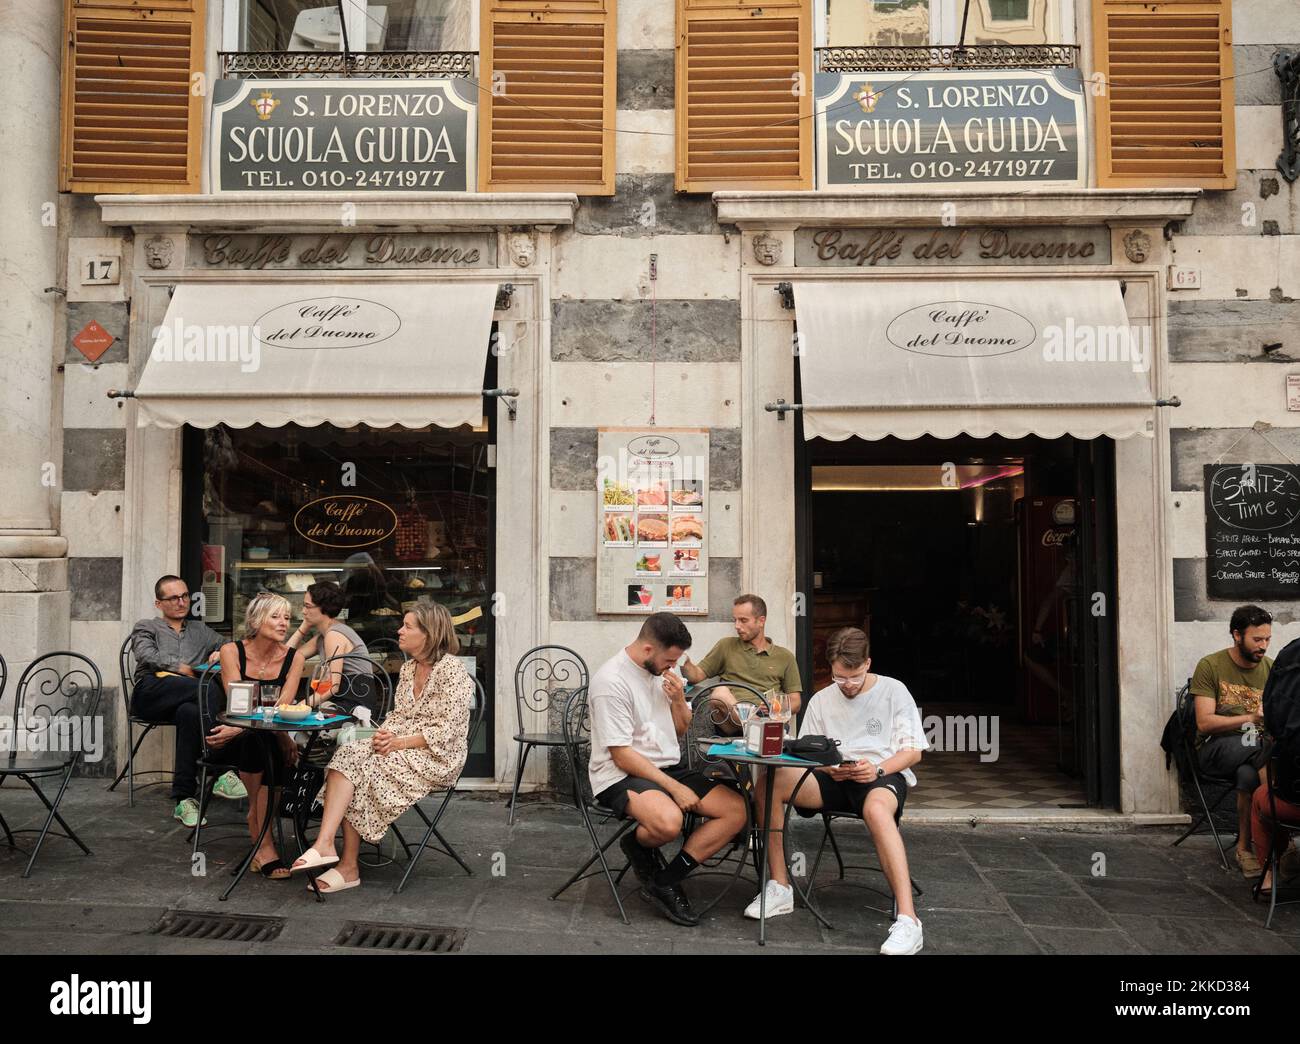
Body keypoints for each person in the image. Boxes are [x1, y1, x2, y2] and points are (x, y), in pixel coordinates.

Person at [749, 627, 928, 955]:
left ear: (868, 664)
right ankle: (779, 885)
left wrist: (876, 769)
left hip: (879, 775)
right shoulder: (822, 698)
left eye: (853, 678)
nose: (845, 685)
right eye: (838, 678)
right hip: (830, 778)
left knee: (876, 810)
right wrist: (824, 766)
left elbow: (913, 751)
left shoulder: (893, 691)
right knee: (768, 783)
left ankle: (908, 920)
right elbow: (806, 751)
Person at [289, 601, 473, 893]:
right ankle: (325, 844)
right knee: (349, 753)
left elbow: (448, 731)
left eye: (408, 626)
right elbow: (399, 716)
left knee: (366, 770)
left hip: (438, 756)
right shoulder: (410, 668)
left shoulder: (452, 671)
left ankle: (348, 867)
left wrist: (396, 742)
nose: (399, 631)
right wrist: (382, 735)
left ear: (429, 633)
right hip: (402, 745)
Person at [588, 612, 748, 926]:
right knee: (669, 822)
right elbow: (621, 756)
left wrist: (677, 700)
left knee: (738, 811)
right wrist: (675, 789)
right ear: (648, 649)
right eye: (669, 660)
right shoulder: (611, 681)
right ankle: (639, 844)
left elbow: (680, 729)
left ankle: (664, 881)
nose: (672, 667)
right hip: (619, 774)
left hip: (667, 766)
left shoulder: (662, 674)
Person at [129, 575, 246, 827]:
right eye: (173, 598)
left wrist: (222, 652)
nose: (182, 602)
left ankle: (183, 799)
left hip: (188, 695)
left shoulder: (200, 630)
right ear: (159, 603)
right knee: (207, 689)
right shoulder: (147, 626)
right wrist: (181, 667)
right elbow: (145, 654)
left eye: (185, 596)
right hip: (152, 690)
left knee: (191, 713)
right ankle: (219, 768)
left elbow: (232, 646)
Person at [204, 592, 306, 880]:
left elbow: (283, 708)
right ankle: (265, 846)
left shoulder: (294, 658)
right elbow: (238, 707)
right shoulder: (231, 652)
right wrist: (244, 728)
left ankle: (256, 824)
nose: (284, 623)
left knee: (268, 744)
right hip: (230, 738)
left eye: (287, 617)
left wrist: (283, 736)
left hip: (264, 735)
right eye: (275, 616)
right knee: (257, 740)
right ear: (256, 620)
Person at [1191, 604, 1273, 878]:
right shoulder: (1210, 665)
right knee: (1262, 750)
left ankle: (1245, 849)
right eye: (1257, 639)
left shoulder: (1272, 668)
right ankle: (1280, 843)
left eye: (1267, 639)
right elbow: (1204, 722)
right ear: (1237, 635)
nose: (1263, 646)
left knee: (1248, 773)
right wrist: (1252, 716)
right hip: (1216, 746)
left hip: (1255, 748)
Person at [680, 594, 802, 729]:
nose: (737, 626)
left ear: (761, 621)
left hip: (767, 717)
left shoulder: (785, 656)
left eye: (743, 620)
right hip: (730, 720)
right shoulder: (726, 645)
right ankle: (755, 728)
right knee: (719, 692)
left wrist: (775, 706)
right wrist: (683, 660)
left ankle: (756, 728)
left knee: (774, 713)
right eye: (735, 620)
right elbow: (696, 676)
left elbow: (796, 701)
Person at [1252, 634, 1300, 892]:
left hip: (1292, 802)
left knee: (1263, 796)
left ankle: (1268, 879)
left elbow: (1272, 717)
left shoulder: (1291, 656)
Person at [286, 581, 375, 716]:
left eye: (307, 606)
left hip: (354, 704)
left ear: (324, 608)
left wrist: (299, 708)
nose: (303, 611)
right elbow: (287, 657)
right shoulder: (323, 636)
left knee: (296, 722)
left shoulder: (334, 635)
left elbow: (333, 687)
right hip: (339, 698)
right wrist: (304, 627)